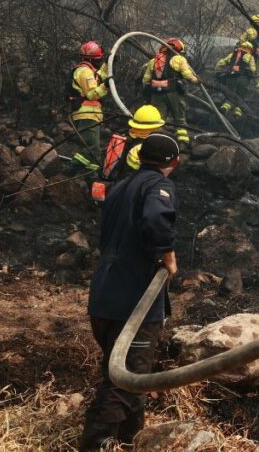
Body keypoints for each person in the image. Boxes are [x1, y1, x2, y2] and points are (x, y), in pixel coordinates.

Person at [80, 133, 181, 452]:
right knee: (126, 379)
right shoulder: (159, 186)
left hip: (104, 295)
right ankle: (94, 444)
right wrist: (167, 254)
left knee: (126, 372)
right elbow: (155, 218)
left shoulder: (120, 187)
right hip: (134, 299)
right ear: (175, 162)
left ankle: (130, 440)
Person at [90, 105, 166, 202]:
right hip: (130, 194)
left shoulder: (120, 138)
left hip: (111, 188)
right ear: (155, 127)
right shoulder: (144, 148)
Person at [141, 37, 200, 146]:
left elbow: (145, 80)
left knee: (158, 119)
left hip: (156, 95)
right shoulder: (178, 59)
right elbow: (188, 75)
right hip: (174, 94)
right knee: (180, 119)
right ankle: (183, 142)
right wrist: (197, 80)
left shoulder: (154, 61)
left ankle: (155, 142)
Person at [68, 41, 109, 170]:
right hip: (86, 114)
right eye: (98, 59)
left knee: (92, 149)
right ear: (91, 59)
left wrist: (108, 64)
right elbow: (92, 95)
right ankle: (71, 168)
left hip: (90, 114)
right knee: (92, 147)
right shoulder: (85, 72)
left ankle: (92, 174)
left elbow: (100, 76)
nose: (99, 61)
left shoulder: (88, 71)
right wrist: (105, 86)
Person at [215, 40, 259, 118]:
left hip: (230, 78)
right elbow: (253, 69)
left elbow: (222, 62)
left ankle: (224, 108)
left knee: (230, 95)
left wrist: (217, 69)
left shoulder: (233, 54)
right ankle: (237, 114)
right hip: (243, 80)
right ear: (249, 49)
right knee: (241, 97)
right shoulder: (250, 57)